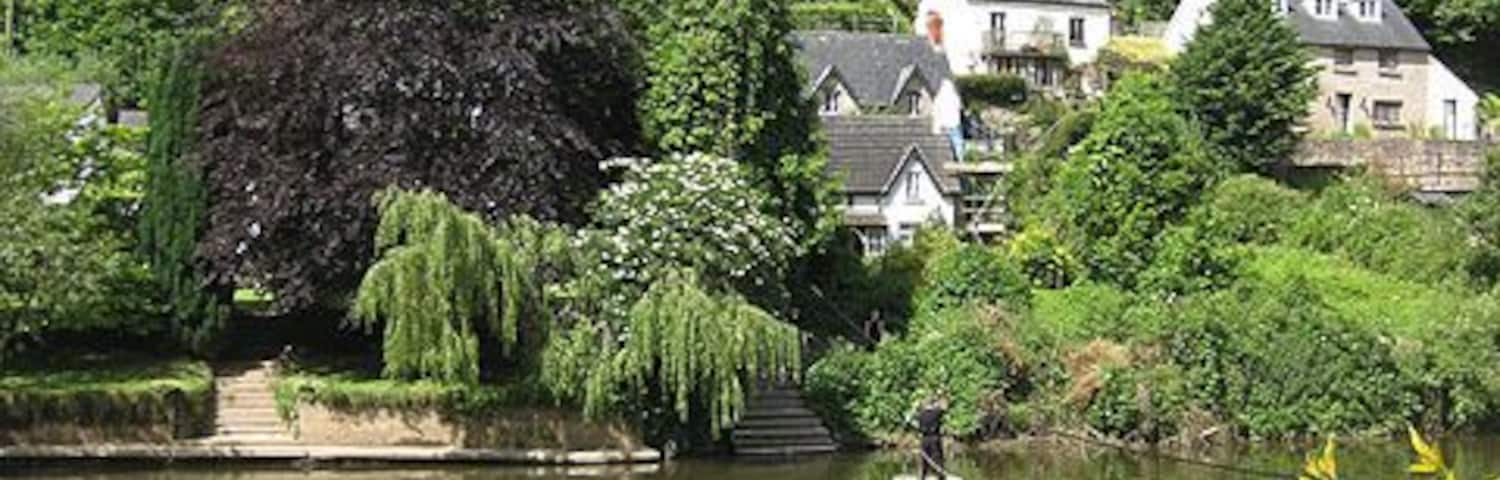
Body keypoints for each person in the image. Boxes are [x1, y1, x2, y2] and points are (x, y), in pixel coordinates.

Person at [912, 394, 948, 479]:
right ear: (933, 403)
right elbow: (945, 406)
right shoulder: (936, 412)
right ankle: (940, 476)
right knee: (937, 458)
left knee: (924, 460)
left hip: (924, 439)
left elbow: (914, 419)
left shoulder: (921, 413)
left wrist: (916, 406)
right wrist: (942, 395)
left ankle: (922, 476)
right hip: (934, 438)